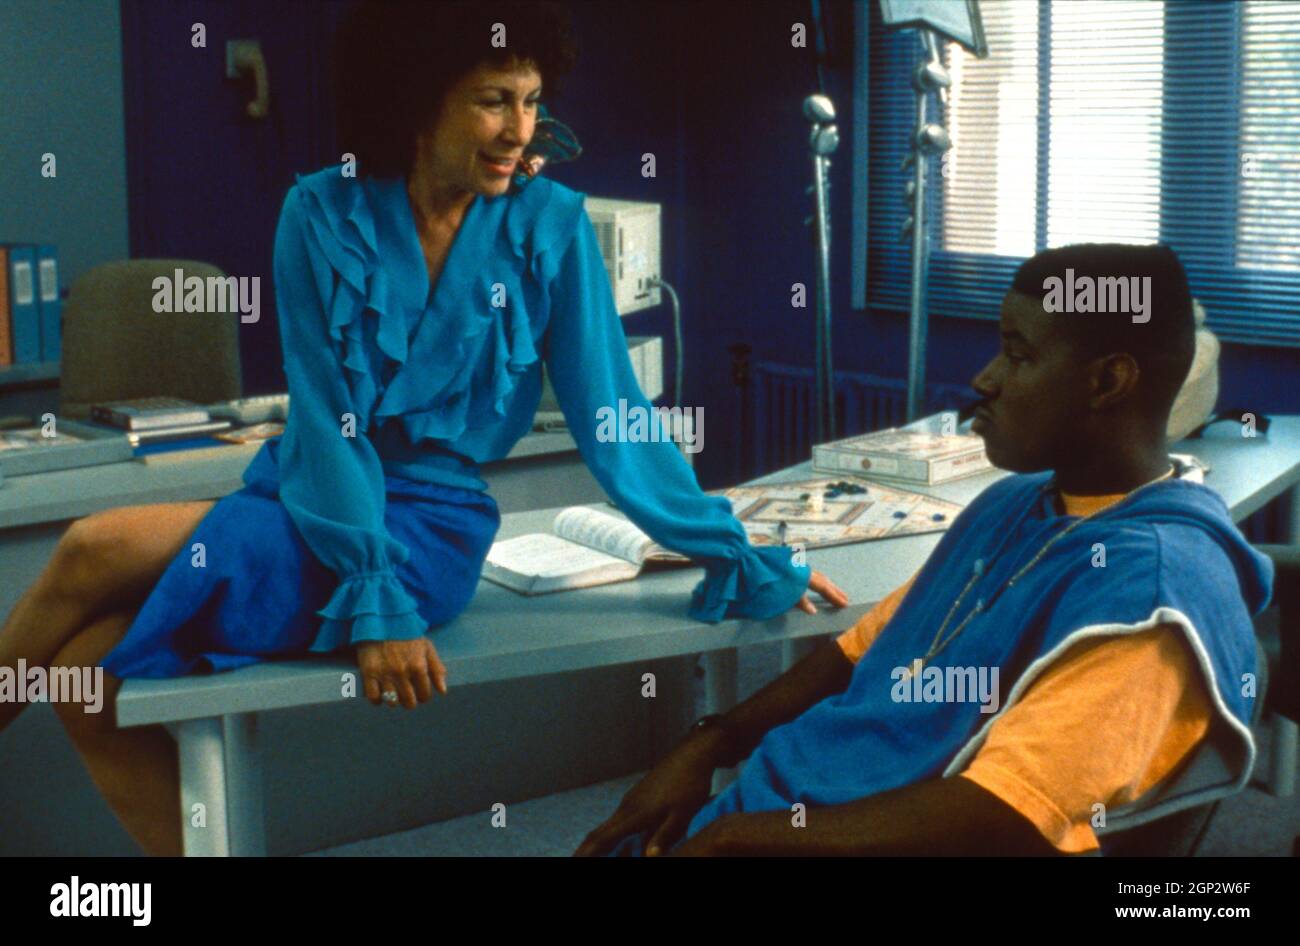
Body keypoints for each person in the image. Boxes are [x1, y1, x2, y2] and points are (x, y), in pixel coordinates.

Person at [0, 0, 845, 856]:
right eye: (492, 100)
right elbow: (326, 422)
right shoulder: (317, 214)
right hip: (316, 495)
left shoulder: (548, 224)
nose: (520, 130)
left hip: (427, 529)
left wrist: (729, 545)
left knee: (92, 549)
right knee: (81, 676)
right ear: (414, 101)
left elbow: (614, 415)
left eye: (531, 100)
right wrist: (363, 579)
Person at [577, 243, 1273, 857]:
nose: (986, 379)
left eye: (1020, 354)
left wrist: (735, 839)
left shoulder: (1146, 594)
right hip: (778, 817)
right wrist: (712, 739)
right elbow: (857, 653)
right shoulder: (1014, 502)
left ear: (1107, 382)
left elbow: (1007, 815)